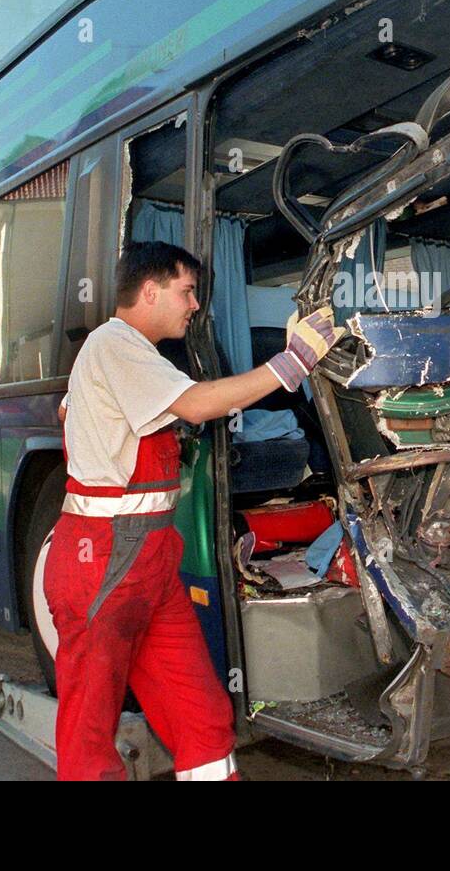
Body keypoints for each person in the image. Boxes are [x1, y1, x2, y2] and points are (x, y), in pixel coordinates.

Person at [47, 241, 343, 779]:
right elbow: (200, 403)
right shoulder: (114, 343)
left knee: (202, 718)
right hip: (105, 562)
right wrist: (293, 362)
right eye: (187, 292)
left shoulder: (128, 357)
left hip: (148, 562)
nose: (194, 306)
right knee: (90, 734)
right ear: (150, 290)